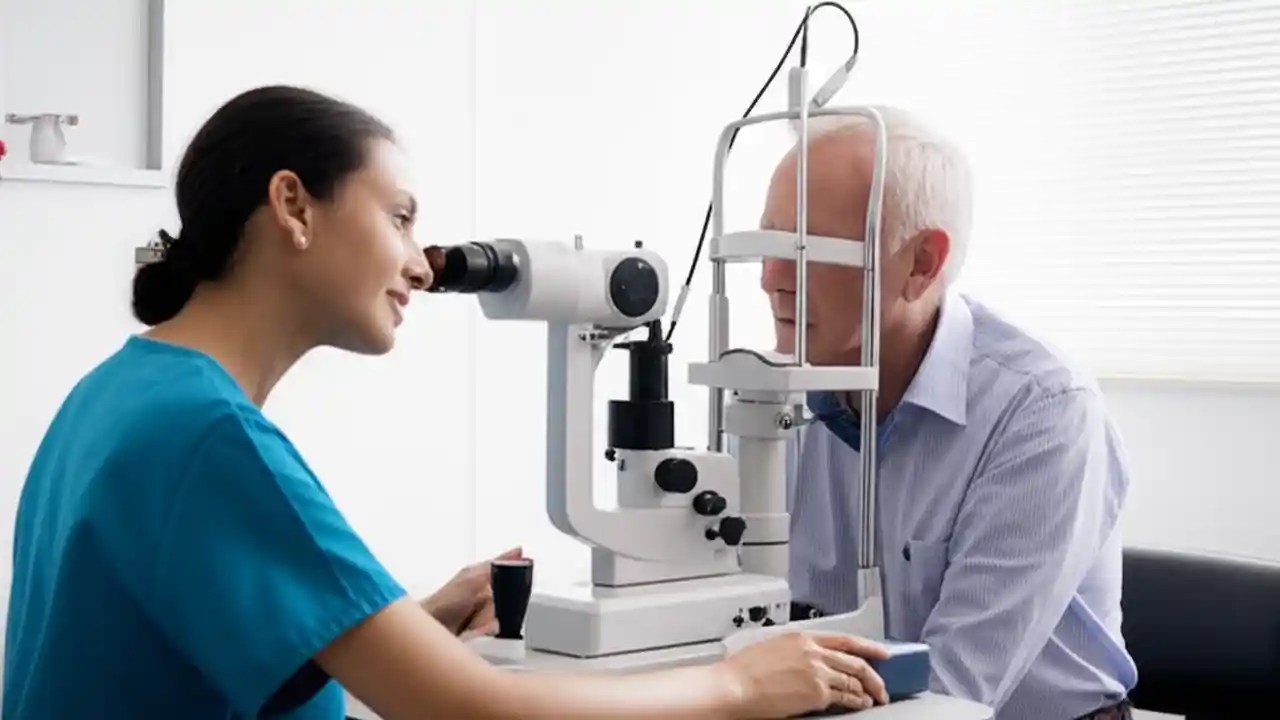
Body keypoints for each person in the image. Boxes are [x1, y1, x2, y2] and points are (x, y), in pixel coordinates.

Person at [2, 85, 892, 719]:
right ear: (292, 206)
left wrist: (406, 628)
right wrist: (742, 686)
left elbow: (184, 665)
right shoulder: (209, 437)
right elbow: (473, 711)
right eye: (399, 219)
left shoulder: (121, 394)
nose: (423, 264)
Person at [758, 107, 1138, 719]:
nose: (771, 279)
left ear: (921, 264)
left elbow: (951, 695)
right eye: (767, 244)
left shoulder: (1042, 412)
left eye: (805, 249)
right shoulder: (776, 404)